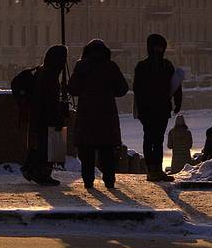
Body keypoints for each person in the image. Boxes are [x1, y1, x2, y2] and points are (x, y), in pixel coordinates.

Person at [67, 39, 128, 190]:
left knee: (86, 152)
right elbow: (123, 89)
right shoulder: (111, 66)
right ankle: (109, 181)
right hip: (107, 116)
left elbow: (72, 89)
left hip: (86, 115)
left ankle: (88, 182)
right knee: (107, 151)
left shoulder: (82, 66)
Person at [11, 46, 69, 187]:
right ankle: (42, 174)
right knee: (47, 145)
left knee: (41, 145)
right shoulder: (49, 75)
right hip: (46, 116)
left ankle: (32, 170)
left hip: (40, 115)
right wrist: (58, 108)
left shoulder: (42, 70)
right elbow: (47, 98)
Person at [132, 33, 183, 183]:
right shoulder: (144, 66)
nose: (158, 49)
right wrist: (142, 108)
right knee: (150, 138)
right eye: (156, 46)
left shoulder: (166, 65)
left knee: (157, 139)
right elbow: (137, 89)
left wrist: (177, 102)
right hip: (150, 109)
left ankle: (157, 169)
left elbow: (175, 85)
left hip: (161, 108)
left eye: (160, 46)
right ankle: (151, 170)